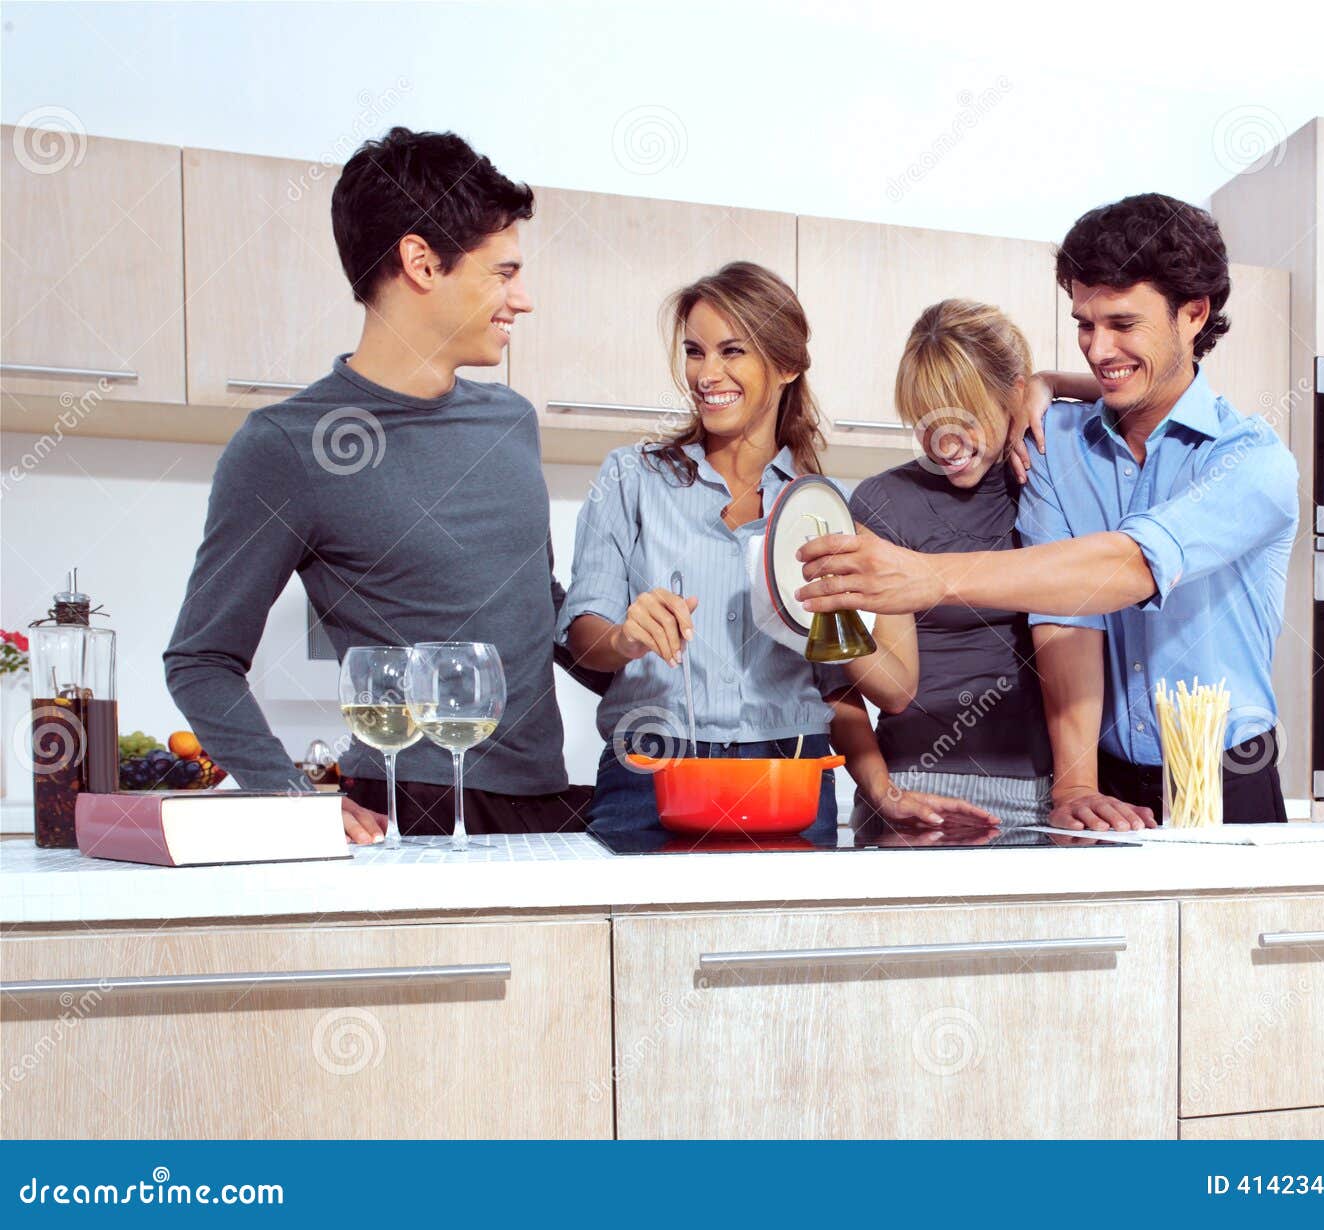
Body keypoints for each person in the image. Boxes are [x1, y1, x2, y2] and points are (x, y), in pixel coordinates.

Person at [796, 193, 1298, 829]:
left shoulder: (1252, 461)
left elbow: (1129, 565)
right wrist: (1076, 784)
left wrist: (929, 576)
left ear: (1193, 313)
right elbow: (1068, 617)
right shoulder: (1054, 445)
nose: (1098, 348)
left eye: (1122, 323)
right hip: (1106, 782)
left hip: (1226, 772)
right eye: (1085, 325)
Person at [165, 127, 604, 844]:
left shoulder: (511, 421)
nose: (522, 300)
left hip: (543, 802)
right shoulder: (285, 446)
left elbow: (537, 606)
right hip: (408, 812)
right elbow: (201, 659)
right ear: (421, 263)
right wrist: (290, 797)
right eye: (503, 273)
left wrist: (648, 669)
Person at [559, 262, 847, 835]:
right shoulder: (631, 477)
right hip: (650, 770)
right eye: (695, 352)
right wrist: (625, 637)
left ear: (787, 364)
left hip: (789, 768)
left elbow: (840, 674)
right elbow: (584, 635)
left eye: (732, 351)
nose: (707, 374)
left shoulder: (819, 504)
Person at [830, 300, 1099, 830]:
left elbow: (1146, 394)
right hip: (918, 790)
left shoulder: (1046, 484)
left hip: (1048, 794)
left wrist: (1049, 382)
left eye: (966, 420)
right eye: (926, 422)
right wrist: (884, 792)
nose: (945, 445)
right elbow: (862, 684)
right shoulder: (882, 503)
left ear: (1014, 397)